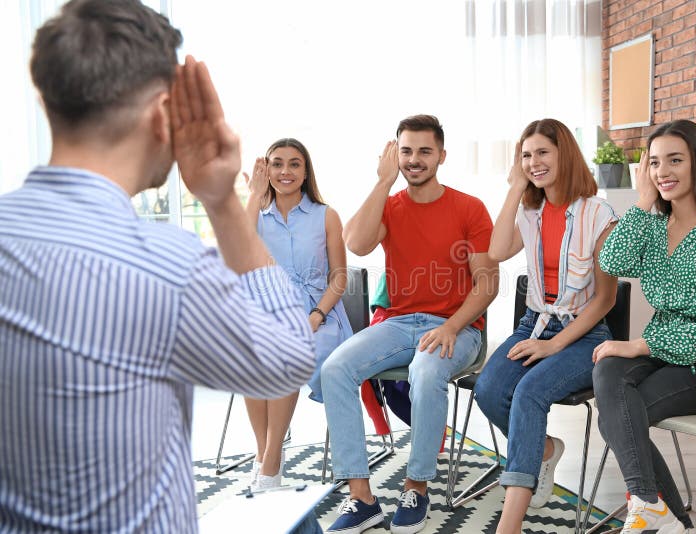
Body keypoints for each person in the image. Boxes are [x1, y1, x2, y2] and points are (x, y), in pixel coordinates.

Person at [0, 1, 319, 532]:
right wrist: (221, 202)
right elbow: (286, 361)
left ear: (45, 96)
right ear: (161, 113)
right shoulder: (169, 266)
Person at [321, 114, 499, 534]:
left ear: (441, 155)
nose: (415, 160)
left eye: (424, 151)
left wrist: (453, 326)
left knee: (425, 369)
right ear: (394, 155)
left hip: (461, 327)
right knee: (335, 369)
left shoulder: (469, 208)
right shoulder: (390, 205)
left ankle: (416, 485)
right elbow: (357, 243)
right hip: (400, 323)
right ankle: (362, 497)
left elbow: (487, 284)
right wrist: (383, 182)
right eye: (406, 151)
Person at [593, 119, 696, 534]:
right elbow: (611, 262)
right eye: (655, 162)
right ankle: (655, 509)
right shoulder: (653, 224)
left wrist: (640, 345)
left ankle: (668, 519)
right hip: (669, 357)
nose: (663, 172)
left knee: (622, 412)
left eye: (675, 160)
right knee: (608, 373)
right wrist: (642, 203)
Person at [473, 118, 618, 533]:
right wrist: (516, 187)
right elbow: (497, 250)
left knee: (529, 392)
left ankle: (510, 524)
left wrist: (555, 347)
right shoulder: (531, 210)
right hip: (533, 324)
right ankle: (545, 450)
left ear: (564, 154)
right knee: (489, 390)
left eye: (542, 153)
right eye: (526, 155)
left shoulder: (599, 213)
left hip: (583, 334)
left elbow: (605, 300)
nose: (533, 162)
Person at [242, 138, 352, 491]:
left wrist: (316, 316)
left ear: (306, 172)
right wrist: (253, 195)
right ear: (266, 170)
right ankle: (264, 456)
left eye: (294, 164)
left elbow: (339, 278)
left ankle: (270, 467)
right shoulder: (256, 215)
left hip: (319, 316)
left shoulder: (326, 215)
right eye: (277, 164)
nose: (285, 171)